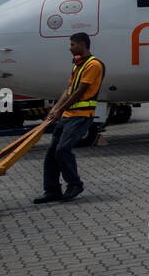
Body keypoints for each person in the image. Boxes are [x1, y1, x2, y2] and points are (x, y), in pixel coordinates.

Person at [34, 32, 104, 204]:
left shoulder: (93, 65)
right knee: (51, 153)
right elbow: (69, 90)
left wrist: (60, 110)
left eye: (72, 45)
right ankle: (51, 190)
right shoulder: (77, 65)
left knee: (62, 149)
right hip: (68, 116)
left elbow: (80, 92)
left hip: (81, 116)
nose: (70, 48)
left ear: (82, 44)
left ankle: (74, 183)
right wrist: (56, 109)